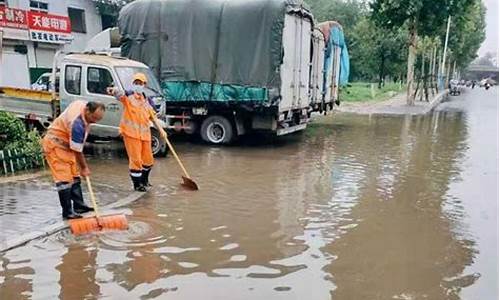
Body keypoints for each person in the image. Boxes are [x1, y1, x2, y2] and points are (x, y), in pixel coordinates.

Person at [42, 101, 105, 219]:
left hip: (67, 145)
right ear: (87, 110)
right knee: (64, 179)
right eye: (94, 118)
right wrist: (84, 167)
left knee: (74, 176)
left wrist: (81, 168)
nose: (95, 122)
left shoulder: (83, 106)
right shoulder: (77, 124)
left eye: (98, 119)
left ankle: (79, 205)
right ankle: (67, 212)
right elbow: (77, 150)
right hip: (56, 145)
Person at [107, 73, 167, 192]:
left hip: (144, 135)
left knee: (148, 160)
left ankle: (144, 180)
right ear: (133, 84)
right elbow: (119, 94)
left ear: (144, 85)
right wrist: (113, 90)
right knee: (136, 160)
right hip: (131, 134)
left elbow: (153, 117)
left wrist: (161, 130)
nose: (138, 85)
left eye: (140, 83)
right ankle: (137, 184)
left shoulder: (147, 101)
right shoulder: (129, 97)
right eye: (136, 83)